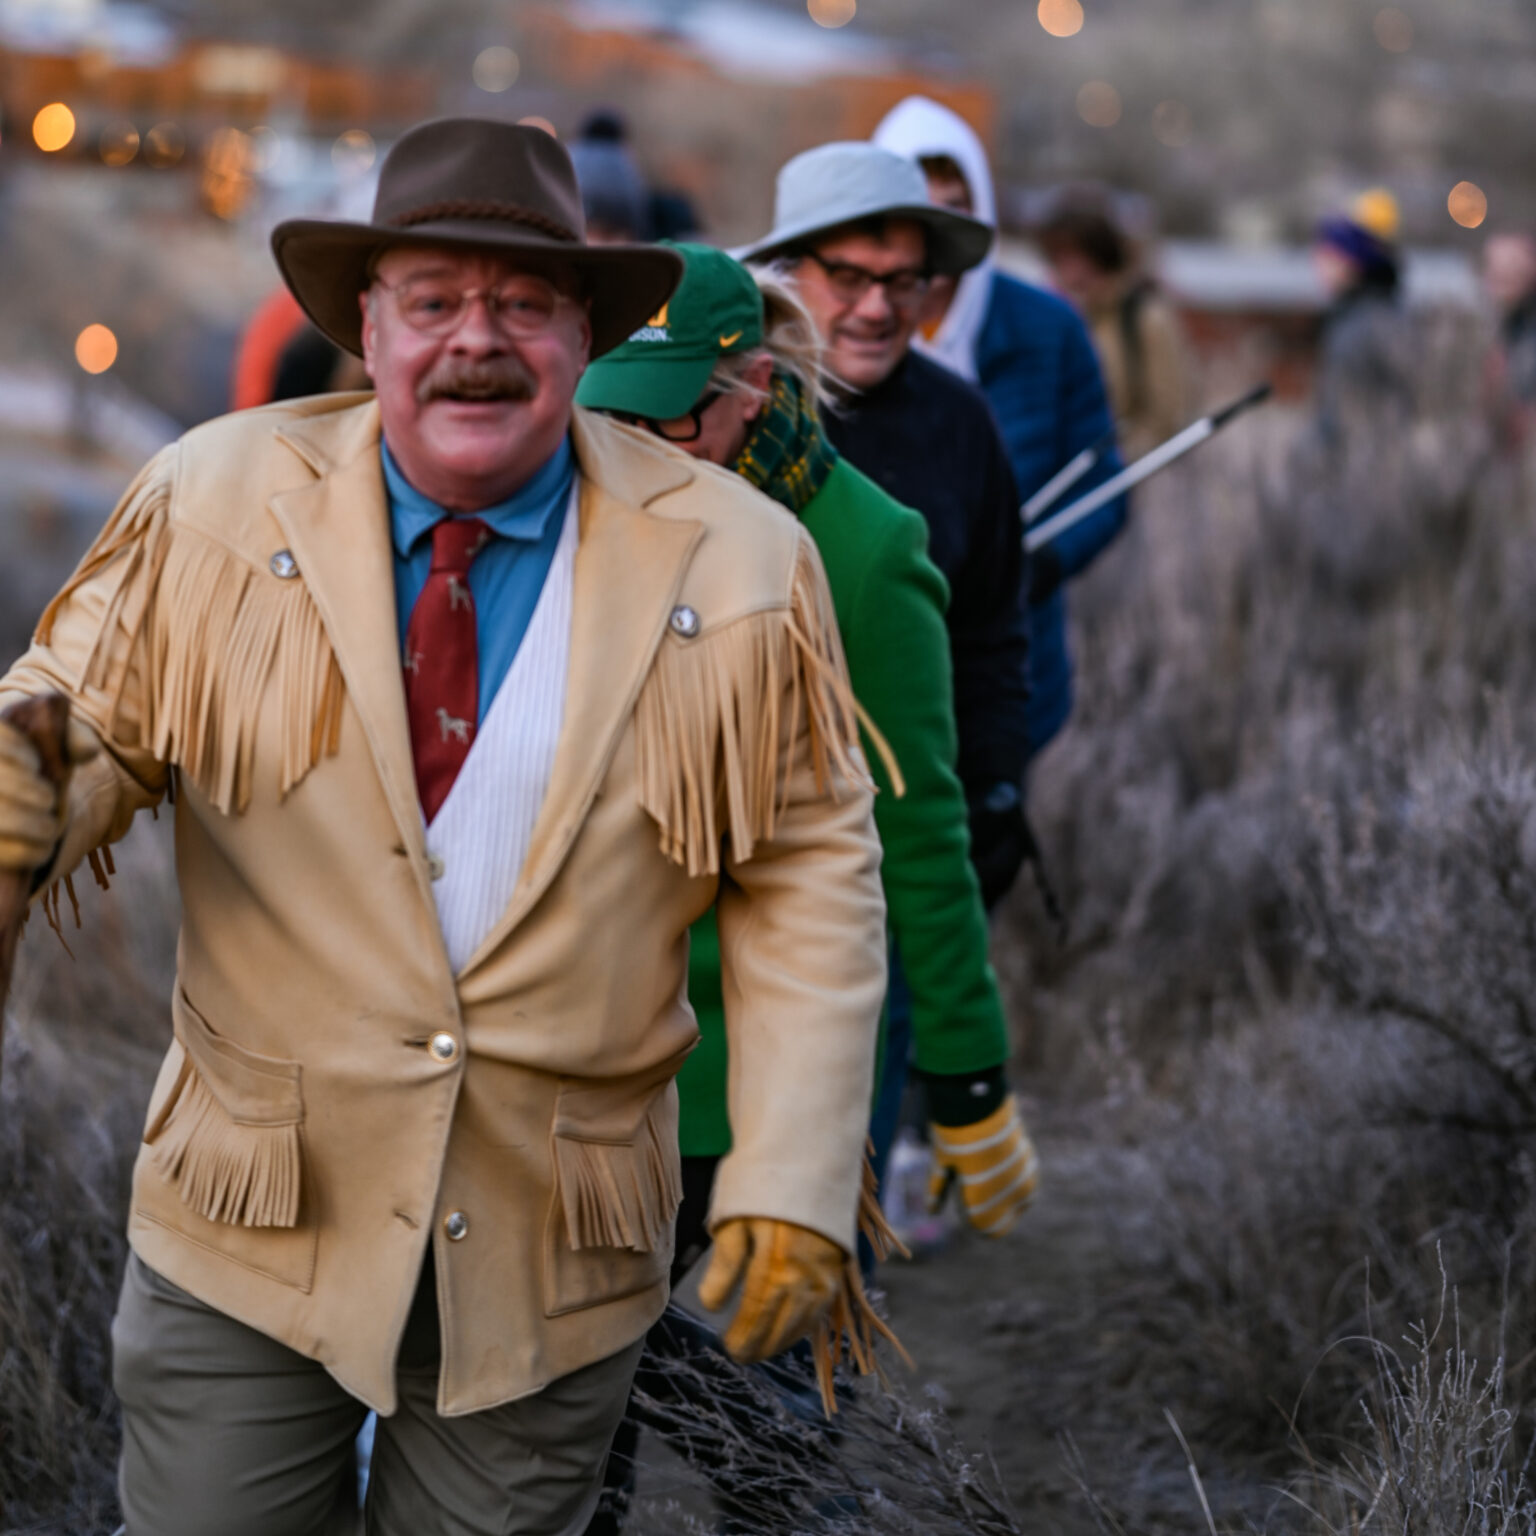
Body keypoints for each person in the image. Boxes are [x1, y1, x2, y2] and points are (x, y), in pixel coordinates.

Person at [0, 118, 890, 1536]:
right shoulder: (215, 500)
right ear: (370, 322)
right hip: (252, 1220)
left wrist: (790, 1172)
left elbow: (807, 878)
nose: (476, 341)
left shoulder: (738, 560)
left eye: (523, 304)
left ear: (580, 333)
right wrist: (28, 782)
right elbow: (83, 720)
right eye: (434, 302)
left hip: (551, 1240)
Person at [575, 241, 1036, 1534]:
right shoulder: (573, 502)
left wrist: (969, 1073)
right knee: (565, 1435)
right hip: (599, 1051)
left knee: (775, 1437)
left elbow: (916, 830)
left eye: (671, 418)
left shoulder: (864, 548)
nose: (632, 448)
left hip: (772, 1066)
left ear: (753, 389)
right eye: (607, 409)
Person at [738, 141, 1033, 1204]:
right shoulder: (719, 410)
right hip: (707, 856)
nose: (875, 308)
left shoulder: (960, 426)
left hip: (887, 844)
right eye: (846, 277)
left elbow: (998, 623)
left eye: (903, 281)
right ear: (783, 275)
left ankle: (825, 1331)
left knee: (841, 1141)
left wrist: (997, 780)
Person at [872, 98, 1132, 768]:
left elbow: (1106, 482)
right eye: (912, 203)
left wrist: (1039, 564)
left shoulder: (1049, 330)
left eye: (955, 204)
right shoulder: (850, 330)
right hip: (871, 681)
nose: (935, 227)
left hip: (1012, 669)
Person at [1034, 195, 1192, 462]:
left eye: (1068, 257)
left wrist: (1114, 460)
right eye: (1054, 258)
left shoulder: (1143, 318)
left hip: (1118, 476)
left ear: (1096, 254)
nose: (1061, 270)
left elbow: (1166, 415)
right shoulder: (1051, 314)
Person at [1309, 188, 1417, 450]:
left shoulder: (1370, 323)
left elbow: (1347, 415)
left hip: (1363, 467)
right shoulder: (1351, 316)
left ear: (1352, 263)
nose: (1317, 263)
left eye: (1328, 255)